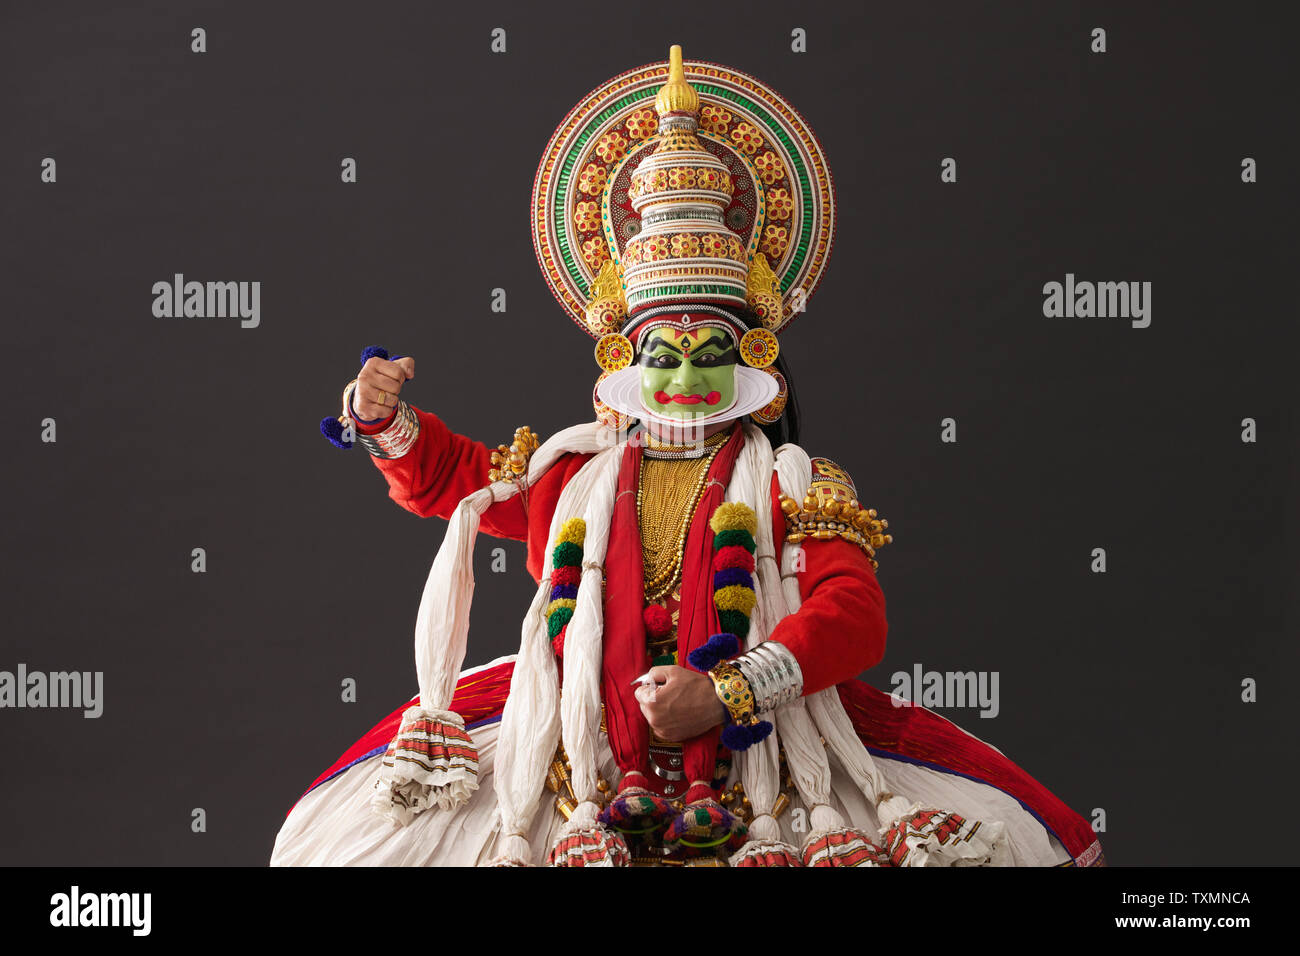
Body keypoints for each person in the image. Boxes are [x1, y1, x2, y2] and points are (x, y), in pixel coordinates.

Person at [272, 47, 1103, 867]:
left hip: (772, 755)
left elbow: (852, 613)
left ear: (753, 358)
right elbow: (456, 482)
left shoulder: (795, 484)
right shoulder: (570, 475)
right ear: (624, 367)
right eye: (662, 357)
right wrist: (383, 419)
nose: (688, 378)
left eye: (711, 353)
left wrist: (731, 689)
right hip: (580, 759)